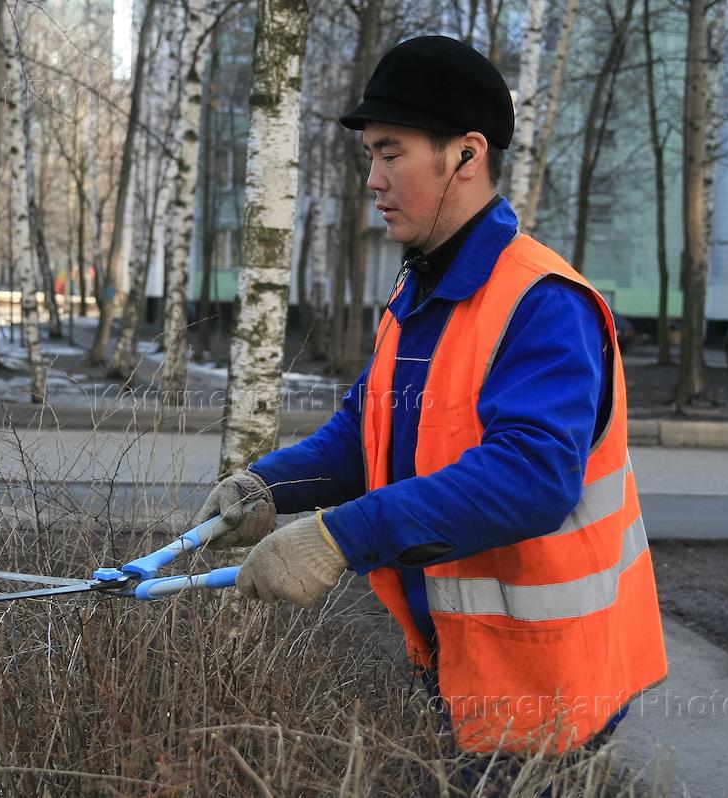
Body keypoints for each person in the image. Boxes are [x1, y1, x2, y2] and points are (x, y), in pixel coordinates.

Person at [197, 35, 668, 755]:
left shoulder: (544, 303)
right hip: (460, 669)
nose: (374, 180)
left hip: (546, 690)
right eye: (370, 157)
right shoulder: (419, 291)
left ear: (467, 155)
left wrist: (341, 536)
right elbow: (368, 432)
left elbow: (530, 478)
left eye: (391, 153)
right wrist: (268, 486)